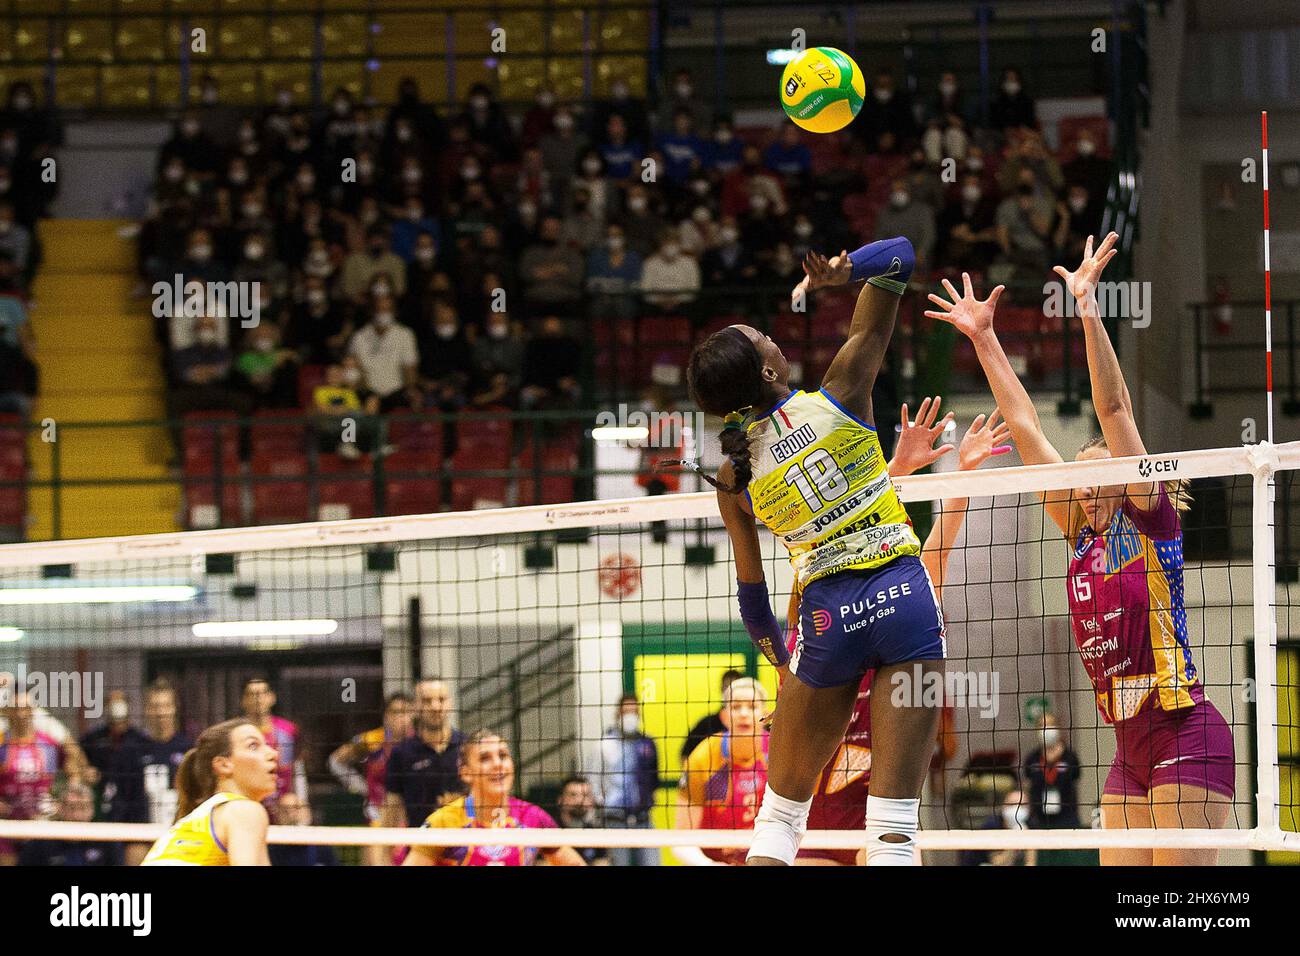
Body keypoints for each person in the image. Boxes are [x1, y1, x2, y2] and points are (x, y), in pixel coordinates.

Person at [925, 234, 1236, 865]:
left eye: (1096, 469)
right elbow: (1025, 426)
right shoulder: (1080, 531)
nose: (1082, 478)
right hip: (1127, 749)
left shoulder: (1152, 520)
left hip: (1187, 732)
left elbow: (1113, 405)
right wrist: (984, 337)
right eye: (1078, 471)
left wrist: (1088, 307)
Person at [685, 232, 944, 867]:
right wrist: (841, 272)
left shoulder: (731, 479)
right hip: (904, 599)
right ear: (769, 369)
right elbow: (902, 256)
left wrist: (783, 662)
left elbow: (753, 600)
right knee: (892, 832)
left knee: (778, 820)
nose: (774, 336)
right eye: (764, 338)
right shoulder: (841, 394)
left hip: (828, 620)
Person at [794, 399, 1013, 865]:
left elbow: (935, 557)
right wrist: (897, 467)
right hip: (809, 826)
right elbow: (843, 532)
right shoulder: (818, 602)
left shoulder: (904, 604)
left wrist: (963, 475)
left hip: (875, 823)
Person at [403, 730, 585, 866]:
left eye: (503, 756)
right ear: (466, 773)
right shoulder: (444, 821)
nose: (498, 764)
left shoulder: (532, 817)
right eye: (485, 758)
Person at [140, 718, 279, 866]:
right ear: (224, 764)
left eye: (267, 745)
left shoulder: (206, 817)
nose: (273, 754)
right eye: (253, 746)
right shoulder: (244, 810)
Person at [674, 677, 769, 865]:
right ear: (724, 716)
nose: (743, 713)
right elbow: (681, 839)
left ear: (766, 715)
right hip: (713, 860)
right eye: (735, 707)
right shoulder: (703, 757)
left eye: (751, 707)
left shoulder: (780, 752)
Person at [0, 689, 88, 866]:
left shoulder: (48, 743)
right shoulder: (2, 743)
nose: (21, 714)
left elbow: (77, 765)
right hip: (7, 828)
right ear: (8, 711)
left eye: (26, 708)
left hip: (42, 827)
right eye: (16, 708)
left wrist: (62, 801)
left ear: (33, 710)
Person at [329, 691, 412, 865]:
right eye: (396, 712)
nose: (402, 718)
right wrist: (361, 787)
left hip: (410, 816)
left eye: (406, 712)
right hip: (378, 815)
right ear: (386, 716)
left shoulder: (420, 743)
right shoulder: (372, 740)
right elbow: (335, 762)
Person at [382, 679, 466, 837]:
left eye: (441, 700)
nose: (435, 707)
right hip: (420, 844)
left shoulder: (466, 747)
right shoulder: (401, 753)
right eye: (427, 701)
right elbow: (390, 814)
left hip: (464, 845)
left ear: (450, 703)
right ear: (415, 707)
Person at [593, 694, 659, 866]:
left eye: (634, 712)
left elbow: (654, 778)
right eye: (626, 712)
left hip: (643, 819)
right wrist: (602, 802)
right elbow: (592, 778)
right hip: (615, 820)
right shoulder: (605, 744)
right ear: (618, 714)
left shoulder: (647, 743)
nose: (630, 716)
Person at [18, 783, 116, 867]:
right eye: (71, 807)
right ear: (60, 809)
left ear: (92, 810)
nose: (77, 815)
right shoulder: (39, 844)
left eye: (83, 807)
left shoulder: (107, 842)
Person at [239, 677, 304, 801]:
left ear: (272, 697)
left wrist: (301, 800)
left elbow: (298, 766)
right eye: (252, 694)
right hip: (248, 799)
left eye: (263, 693)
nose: (258, 699)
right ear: (244, 700)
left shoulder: (288, 729)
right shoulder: (237, 732)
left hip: (283, 801)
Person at [1021, 712, 1082, 829]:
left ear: (1057, 728)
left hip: (1067, 817)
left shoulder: (1069, 757)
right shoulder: (1032, 758)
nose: (1046, 729)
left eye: (1050, 725)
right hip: (1039, 818)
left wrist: (1056, 759)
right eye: (1042, 725)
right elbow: (1028, 783)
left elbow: (1076, 777)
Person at [679, 669, 744, 763]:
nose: (731, 693)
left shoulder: (757, 726)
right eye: (727, 687)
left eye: (736, 688)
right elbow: (685, 756)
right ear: (721, 689)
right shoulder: (706, 724)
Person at [960, 788, 1034, 867]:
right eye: (1012, 804)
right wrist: (1014, 842)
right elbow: (998, 863)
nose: (1017, 808)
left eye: (1022, 805)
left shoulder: (1030, 824)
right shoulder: (992, 825)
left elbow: (1031, 862)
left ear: (1029, 809)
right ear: (1003, 807)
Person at [267, 792, 339, 866]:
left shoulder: (322, 845)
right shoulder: (271, 849)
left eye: (297, 808)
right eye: (285, 810)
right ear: (278, 815)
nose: (291, 814)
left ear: (308, 812)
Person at [554, 774, 609, 865]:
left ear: (592, 801)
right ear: (560, 800)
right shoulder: (549, 830)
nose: (579, 800)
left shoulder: (596, 832)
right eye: (573, 795)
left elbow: (603, 862)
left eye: (585, 795)